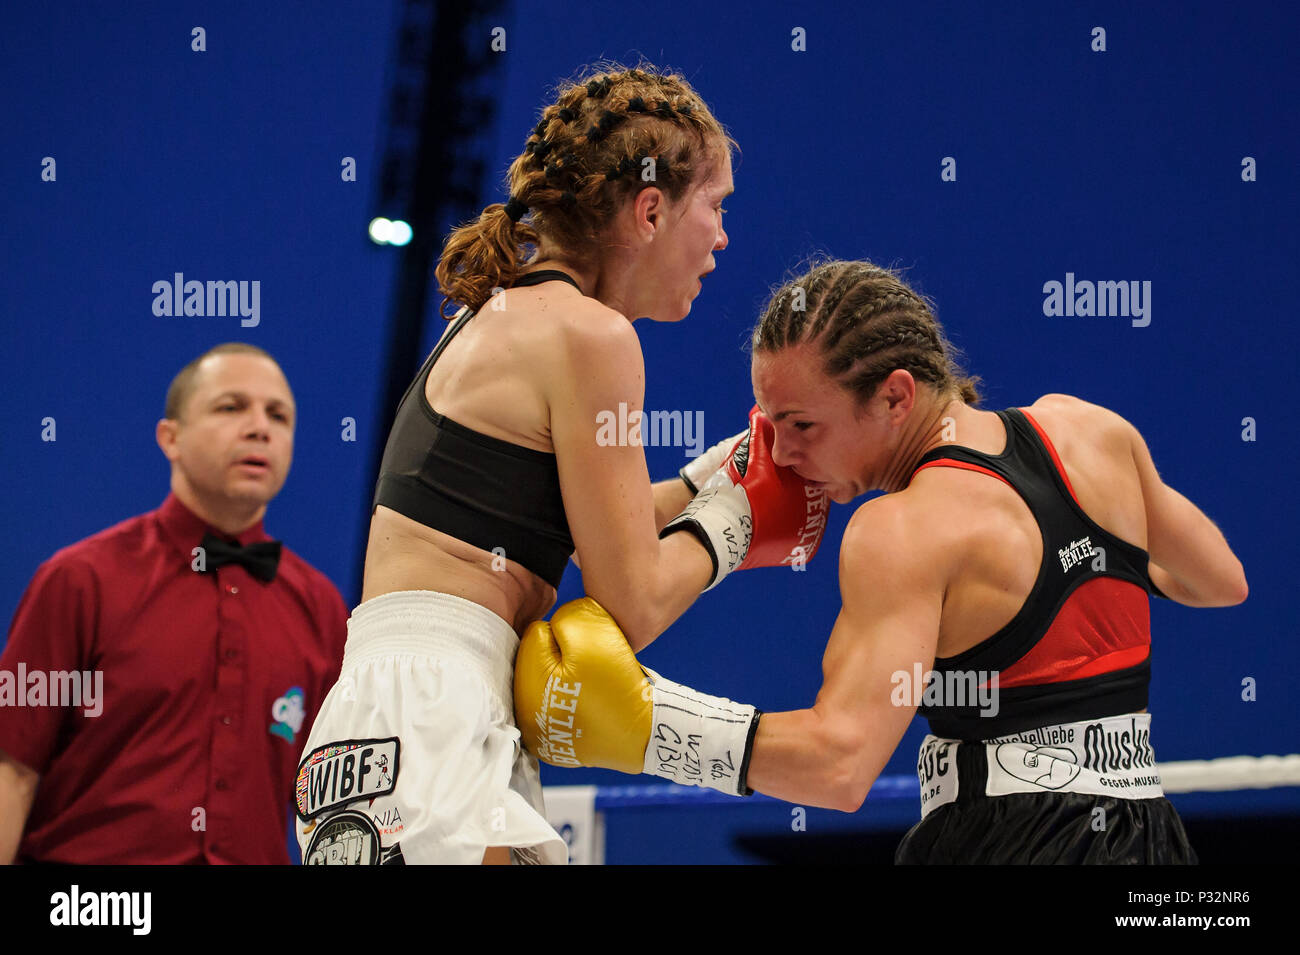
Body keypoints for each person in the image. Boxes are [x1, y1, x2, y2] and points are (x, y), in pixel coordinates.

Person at [515, 258, 1249, 864]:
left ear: (896, 395)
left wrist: (649, 724)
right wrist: (1084, 578)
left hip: (1004, 844)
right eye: (770, 429)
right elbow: (1218, 580)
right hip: (1153, 846)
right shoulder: (1092, 432)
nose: (786, 455)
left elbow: (841, 766)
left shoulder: (901, 530)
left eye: (801, 426)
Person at [295, 63, 827, 866]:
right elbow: (632, 598)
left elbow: (580, 529)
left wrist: (717, 472)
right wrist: (737, 517)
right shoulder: (592, 335)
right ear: (650, 210)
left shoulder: (504, 315)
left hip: (404, 709)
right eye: (715, 206)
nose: (722, 237)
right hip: (435, 705)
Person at [0, 343, 348, 864]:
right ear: (171, 438)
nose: (260, 428)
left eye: (279, 416)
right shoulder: (79, 581)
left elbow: (331, 806)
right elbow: (12, 770)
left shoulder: (321, 607)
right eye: (231, 407)